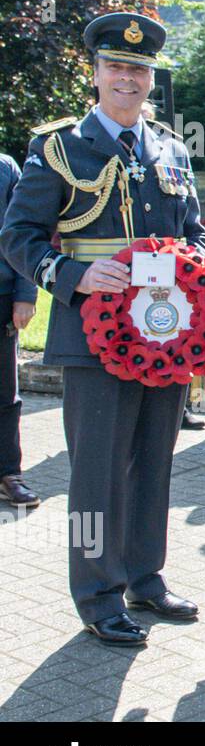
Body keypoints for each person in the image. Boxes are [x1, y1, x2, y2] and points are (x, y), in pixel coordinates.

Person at [1, 12, 205, 645]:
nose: (129, 78)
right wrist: (72, 276)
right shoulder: (58, 147)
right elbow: (17, 236)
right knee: (96, 470)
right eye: (117, 66)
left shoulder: (171, 148)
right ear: (95, 74)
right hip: (94, 340)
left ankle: (145, 577)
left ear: (151, 80)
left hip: (165, 337)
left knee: (154, 463)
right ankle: (96, 594)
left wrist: (199, 280)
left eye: (139, 69)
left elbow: (193, 235)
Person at [0, 153, 39, 509]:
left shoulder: (5, 168)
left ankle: (8, 473)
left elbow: (24, 233)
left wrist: (25, 294)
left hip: (0, 298)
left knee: (4, 394)